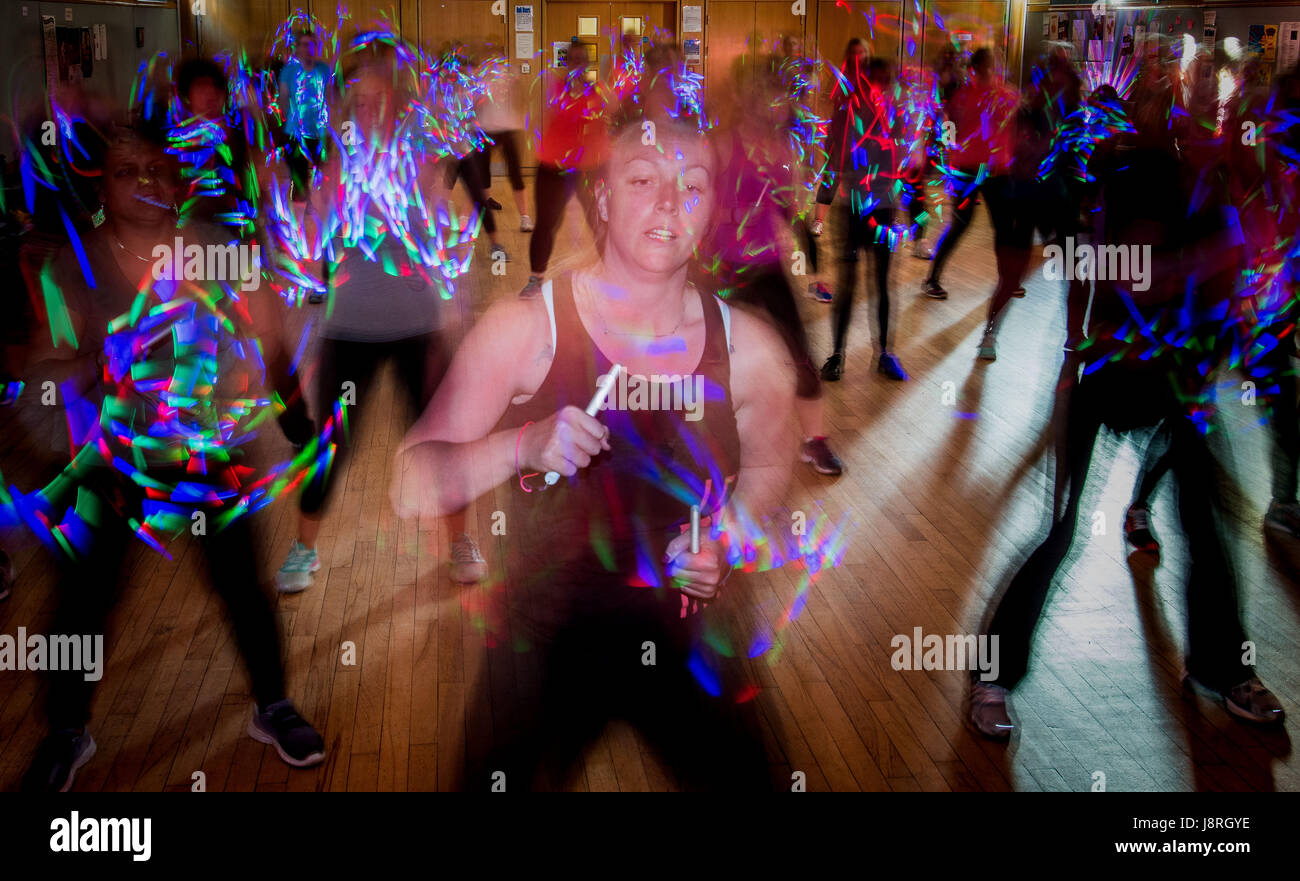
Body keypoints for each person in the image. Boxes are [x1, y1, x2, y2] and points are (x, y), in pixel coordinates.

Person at [391, 100, 797, 790]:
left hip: (690, 631)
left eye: (692, 185)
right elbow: (408, 485)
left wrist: (726, 541)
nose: (670, 201)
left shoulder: (751, 350)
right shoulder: (527, 330)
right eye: (643, 179)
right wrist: (520, 445)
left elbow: (766, 470)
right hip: (543, 636)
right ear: (603, 196)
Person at [968, 71, 1284, 740]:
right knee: (1061, 531)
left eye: (1210, 110)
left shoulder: (1214, 185)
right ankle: (992, 675)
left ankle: (1222, 667)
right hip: (1108, 372)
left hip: (1178, 381)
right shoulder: (1135, 176)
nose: (1201, 119)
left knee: (1207, 524)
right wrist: (1072, 353)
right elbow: (1111, 266)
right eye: (1182, 107)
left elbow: (1231, 278)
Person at [21, 124, 326, 791]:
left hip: (205, 449)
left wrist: (294, 411)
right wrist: (96, 365)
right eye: (127, 170)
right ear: (102, 182)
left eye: (158, 169)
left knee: (243, 584)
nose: (146, 183)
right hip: (111, 456)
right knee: (82, 600)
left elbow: (269, 330)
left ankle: (271, 705)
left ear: (179, 180)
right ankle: (67, 729)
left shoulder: (212, 249)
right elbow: (44, 365)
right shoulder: (77, 265)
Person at [275, 49, 488, 593]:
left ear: (398, 104)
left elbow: (438, 244)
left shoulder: (419, 160)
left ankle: (460, 540)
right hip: (349, 332)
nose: (369, 112)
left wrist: (451, 320)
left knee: (441, 440)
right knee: (331, 446)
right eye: (360, 102)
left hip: (417, 328)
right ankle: (303, 549)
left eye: (380, 101)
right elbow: (314, 241)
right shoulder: (335, 162)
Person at [702, 67, 849, 474]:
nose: (775, 105)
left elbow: (793, 212)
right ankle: (712, 449)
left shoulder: (783, 149)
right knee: (712, 362)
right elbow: (696, 197)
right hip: (723, 269)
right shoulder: (721, 144)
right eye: (765, 96)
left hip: (766, 267)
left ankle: (814, 442)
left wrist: (813, 263)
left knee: (800, 354)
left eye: (779, 98)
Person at [818, 56, 908, 382]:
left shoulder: (893, 116)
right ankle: (837, 354)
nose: (881, 88)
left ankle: (884, 353)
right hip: (852, 206)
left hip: (883, 206)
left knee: (882, 282)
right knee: (848, 283)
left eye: (886, 82)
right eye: (876, 81)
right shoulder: (846, 114)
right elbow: (833, 156)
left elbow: (901, 160)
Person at [921, 47, 1018, 313]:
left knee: (1001, 226)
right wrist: (953, 152)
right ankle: (931, 278)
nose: (990, 71)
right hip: (968, 168)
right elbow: (948, 127)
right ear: (977, 69)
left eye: (992, 66)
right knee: (962, 226)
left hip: (994, 170)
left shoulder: (1004, 94)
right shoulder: (966, 96)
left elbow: (1010, 130)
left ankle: (1007, 279)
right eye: (986, 67)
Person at [520, 40, 607, 298]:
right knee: (546, 224)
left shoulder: (598, 94)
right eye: (573, 60)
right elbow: (539, 116)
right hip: (553, 167)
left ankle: (615, 276)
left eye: (582, 60)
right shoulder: (554, 89)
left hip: (588, 168)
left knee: (600, 223)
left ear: (588, 64)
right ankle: (535, 279)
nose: (578, 64)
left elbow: (606, 125)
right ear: (566, 63)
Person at [473, 50, 531, 231]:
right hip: (485, 130)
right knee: (480, 174)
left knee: (515, 175)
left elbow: (520, 98)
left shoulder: (510, 76)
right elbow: (474, 101)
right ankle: (478, 213)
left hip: (507, 130)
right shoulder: (482, 77)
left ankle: (525, 217)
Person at [278, 30, 331, 202]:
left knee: (323, 179)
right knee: (299, 181)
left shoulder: (324, 70)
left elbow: (331, 97)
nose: (307, 49)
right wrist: (292, 123)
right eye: (303, 44)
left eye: (311, 44)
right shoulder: (289, 71)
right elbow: (283, 99)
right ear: (297, 49)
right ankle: (300, 224)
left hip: (320, 133)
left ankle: (318, 219)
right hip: (296, 134)